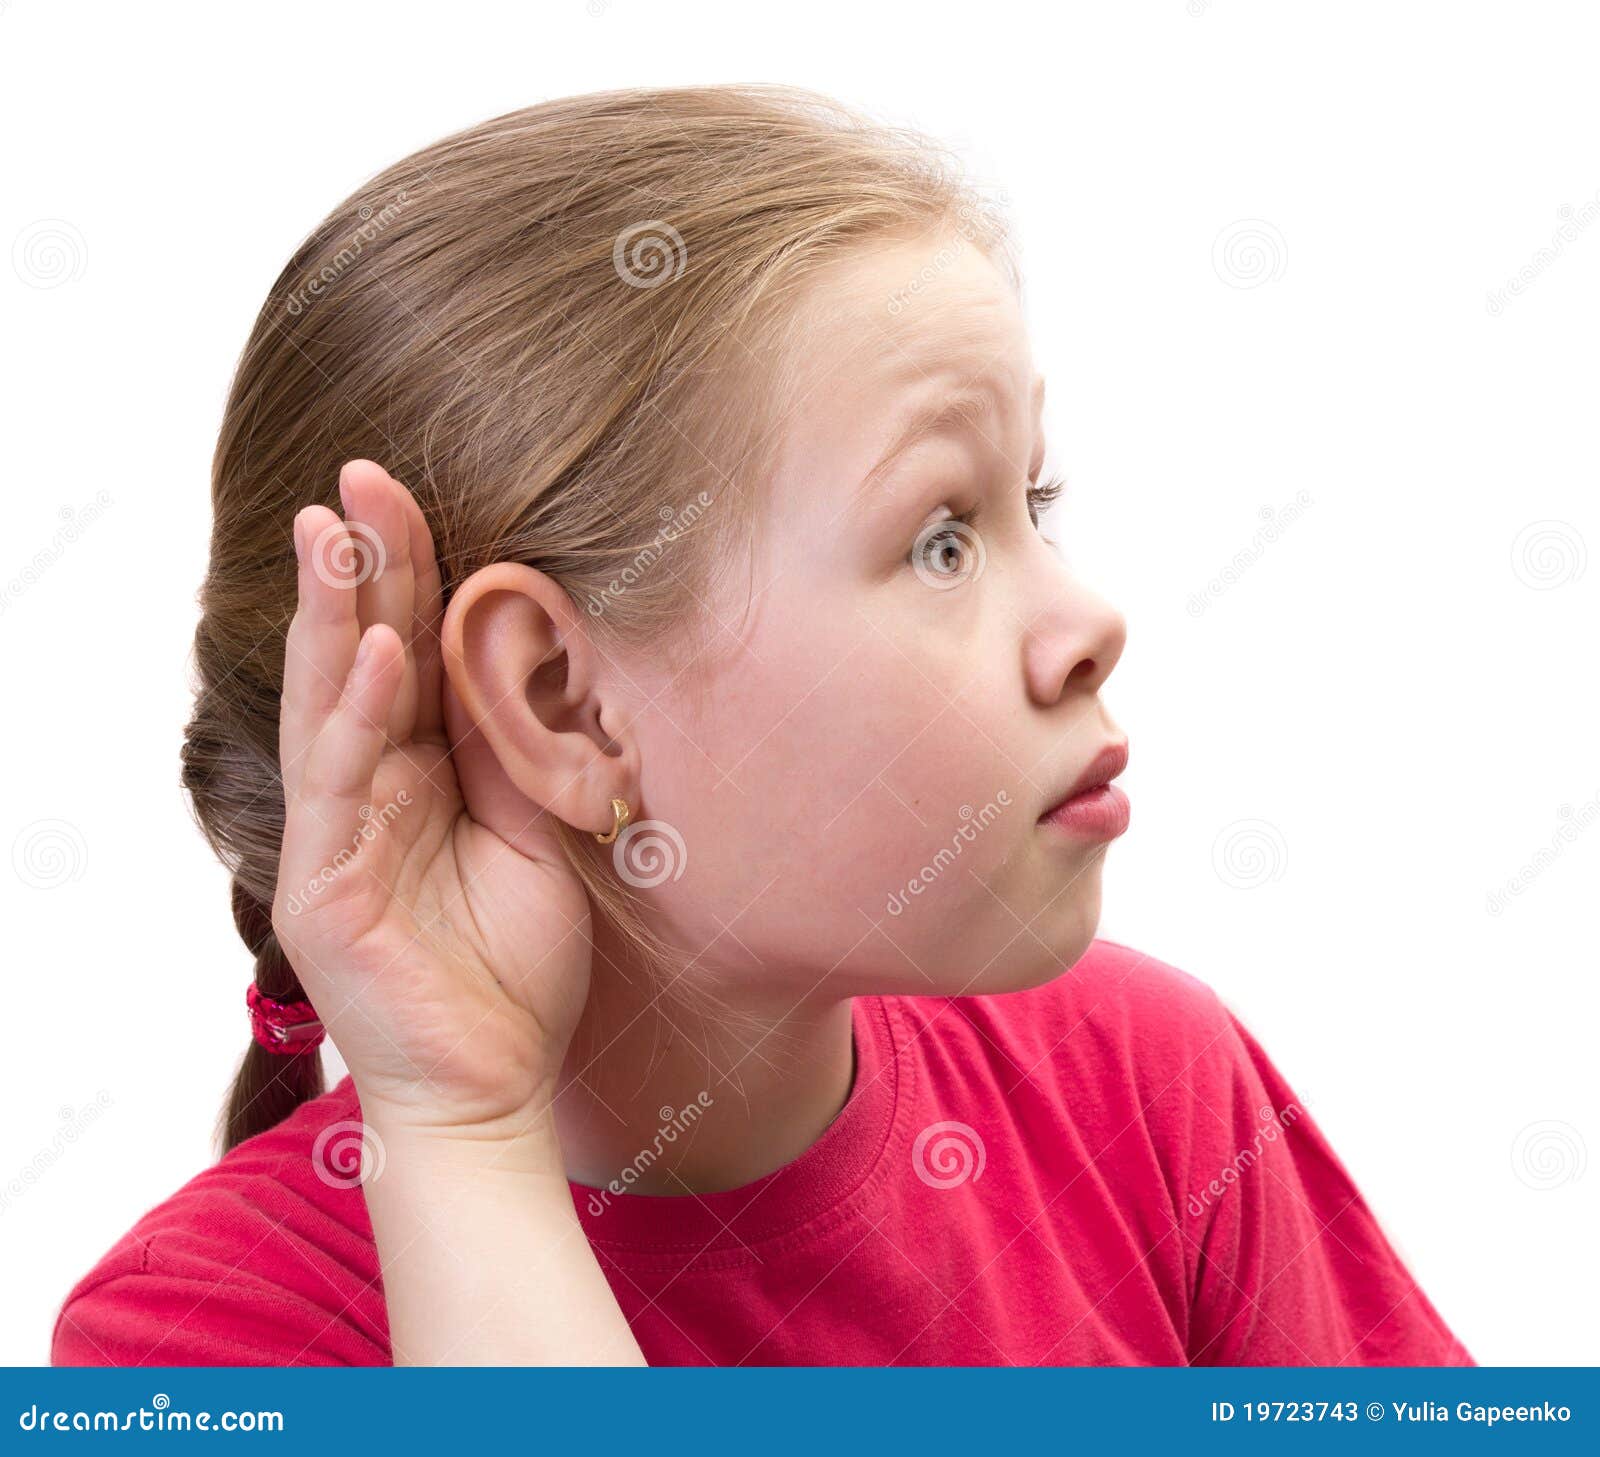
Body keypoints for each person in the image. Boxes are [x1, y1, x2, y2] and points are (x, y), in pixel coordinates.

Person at [52, 84, 1472, 1367]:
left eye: (1030, 505)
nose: (1089, 622)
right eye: (938, 539)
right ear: (563, 700)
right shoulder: (210, 1341)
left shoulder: (1146, 1087)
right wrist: (463, 1133)